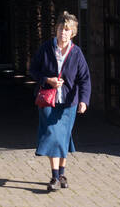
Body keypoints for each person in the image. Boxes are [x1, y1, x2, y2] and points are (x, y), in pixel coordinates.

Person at [29, 11, 91, 192]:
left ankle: (62, 173)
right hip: (48, 101)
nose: (62, 33)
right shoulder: (46, 48)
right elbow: (33, 70)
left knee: (63, 137)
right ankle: (55, 177)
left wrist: (84, 101)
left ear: (72, 33)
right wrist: (48, 80)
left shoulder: (77, 53)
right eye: (60, 29)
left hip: (69, 103)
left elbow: (84, 79)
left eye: (66, 30)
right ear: (55, 30)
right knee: (52, 135)